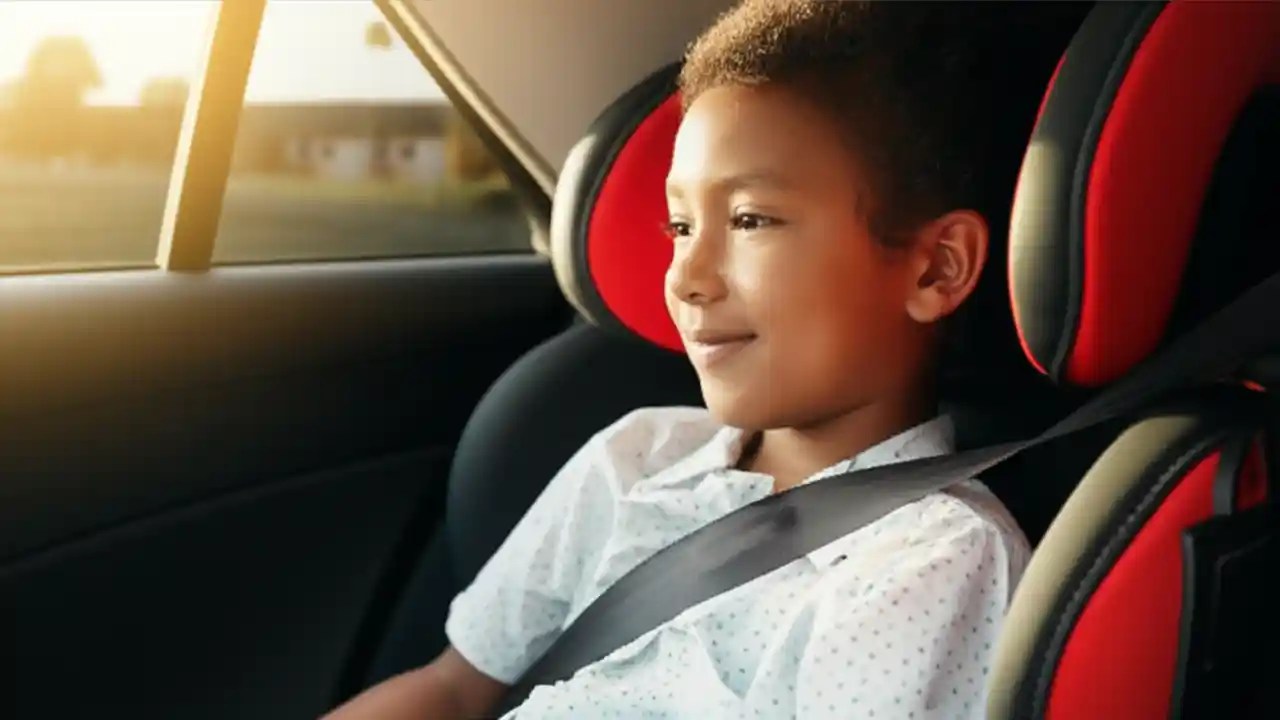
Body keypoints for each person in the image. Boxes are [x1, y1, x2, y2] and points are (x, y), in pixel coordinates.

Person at [326, 1, 1084, 717]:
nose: (686, 277)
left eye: (751, 219)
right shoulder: (635, 458)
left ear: (935, 270)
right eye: (681, 226)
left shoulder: (930, 566)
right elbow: (455, 692)